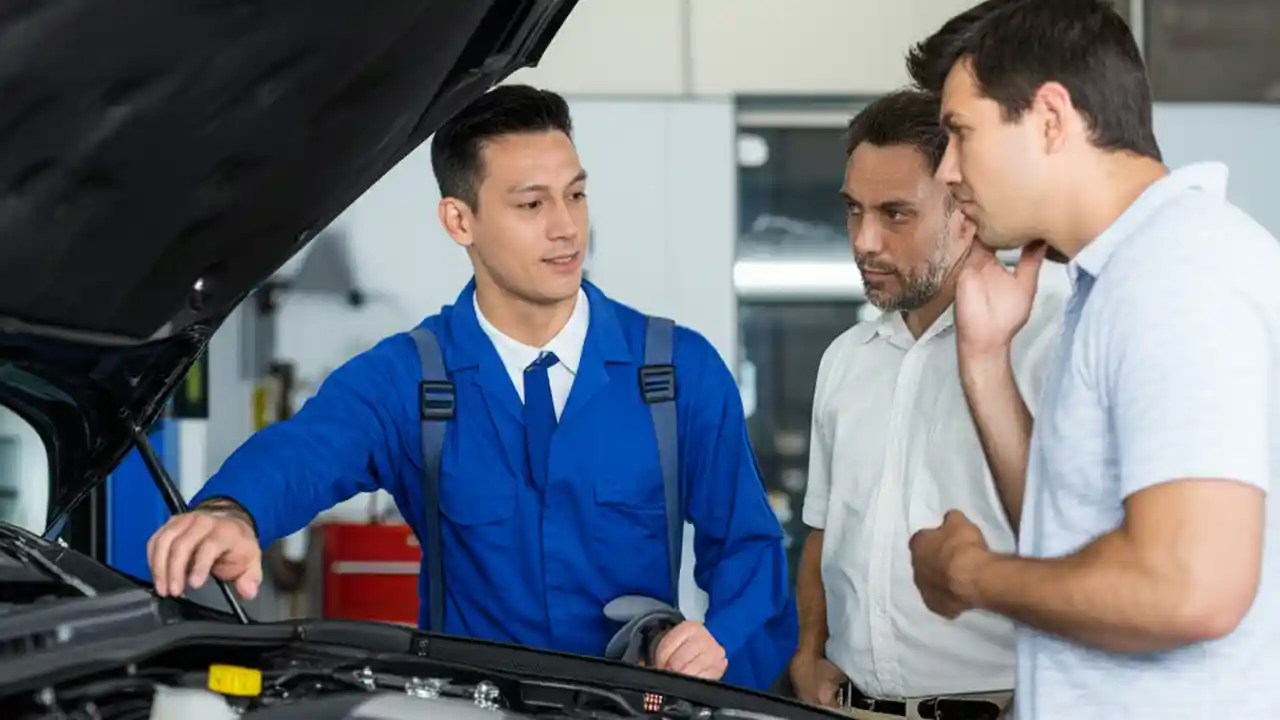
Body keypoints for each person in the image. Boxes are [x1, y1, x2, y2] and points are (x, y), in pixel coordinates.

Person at [144, 84, 798, 691]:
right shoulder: (409, 379)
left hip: (628, 706)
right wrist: (233, 510)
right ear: (460, 221)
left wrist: (718, 643)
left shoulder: (676, 373)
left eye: (575, 195)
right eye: (532, 204)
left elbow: (748, 547)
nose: (567, 228)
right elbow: (308, 449)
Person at [904, 1, 1280, 718]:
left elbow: (1189, 588)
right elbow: (1073, 539)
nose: (947, 170)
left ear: (1051, 119)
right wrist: (986, 362)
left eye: (960, 133)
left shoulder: (1179, 273)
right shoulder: (1123, 276)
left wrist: (971, 574)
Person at [788, 89, 1064, 719]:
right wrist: (807, 650)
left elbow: (1087, 553)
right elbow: (824, 533)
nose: (865, 241)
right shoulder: (847, 360)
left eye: (896, 214)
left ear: (964, 208)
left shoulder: (1048, 343)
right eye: (853, 211)